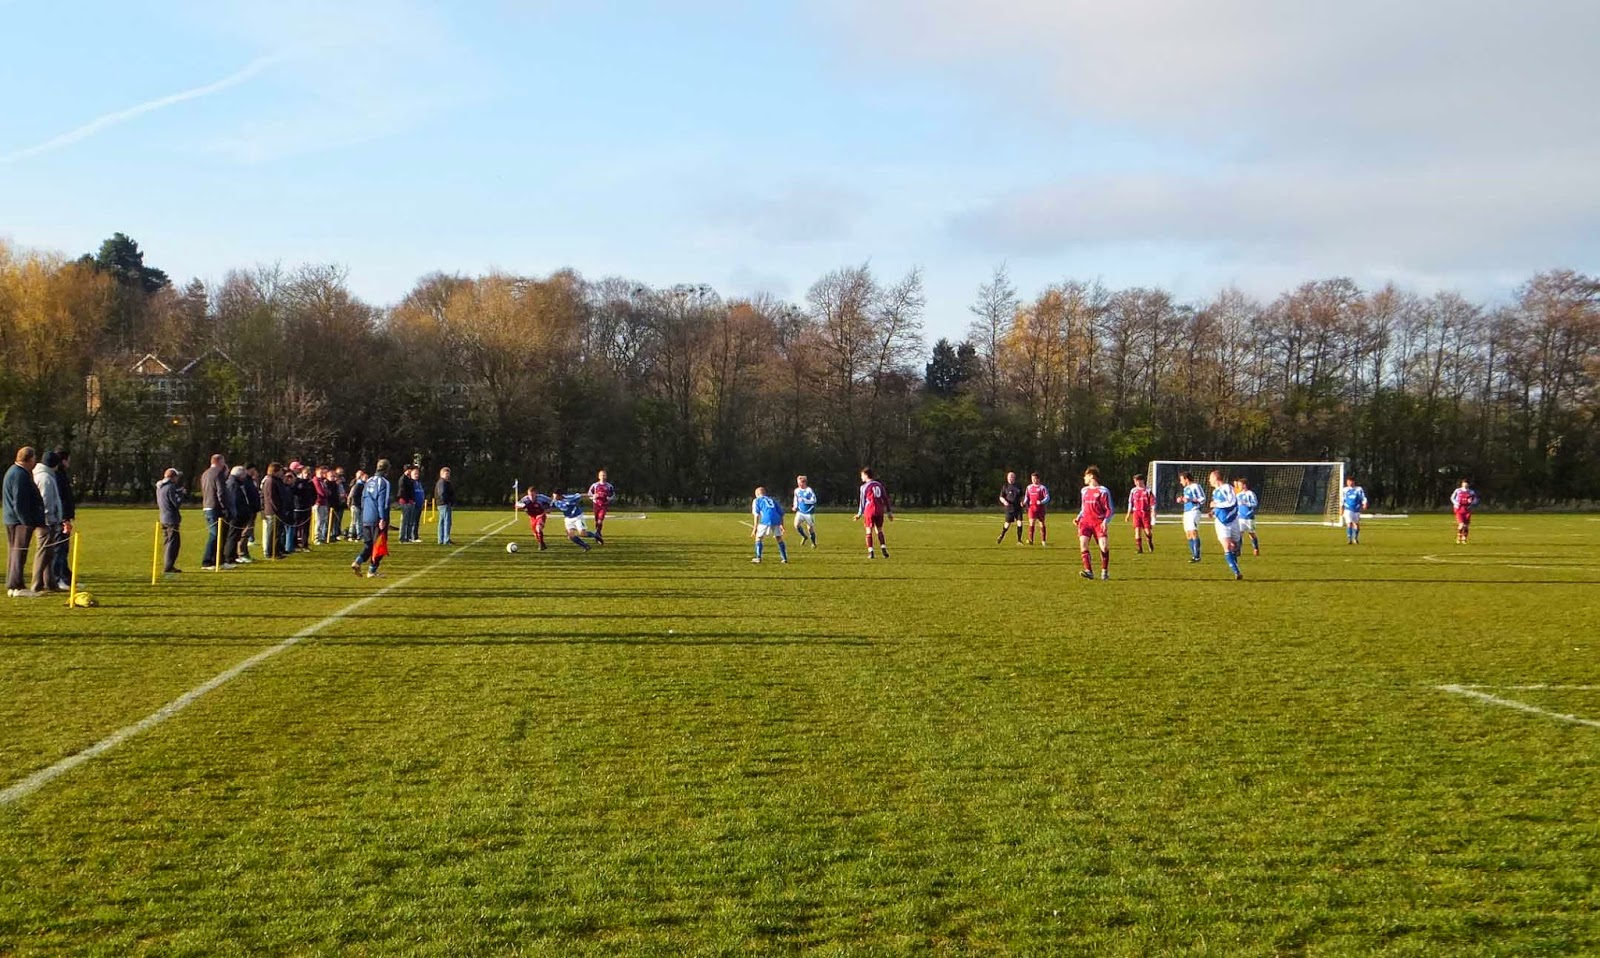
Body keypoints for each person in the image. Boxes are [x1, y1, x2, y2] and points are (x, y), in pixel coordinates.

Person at [5, 446, 48, 598]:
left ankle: (14, 584)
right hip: (19, 521)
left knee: (15, 553)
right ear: (29, 459)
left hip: (14, 519)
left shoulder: (15, 471)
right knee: (19, 553)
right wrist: (27, 521)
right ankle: (16, 586)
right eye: (34, 458)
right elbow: (19, 502)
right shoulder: (19, 475)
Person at [353, 459, 392, 577]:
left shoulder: (368, 480)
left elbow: (363, 499)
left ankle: (358, 561)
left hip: (366, 517)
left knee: (368, 545)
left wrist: (364, 514)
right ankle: (372, 570)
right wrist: (383, 518)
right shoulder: (384, 482)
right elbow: (382, 502)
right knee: (379, 545)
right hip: (376, 518)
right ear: (387, 469)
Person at [34, 450, 65, 591]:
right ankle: (36, 584)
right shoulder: (45, 478)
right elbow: (45, 501)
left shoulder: (45, 475)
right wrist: (49, 520)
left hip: (48, 520)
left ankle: (50, 583)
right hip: (46, 522)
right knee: (43, 553)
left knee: (49, 554)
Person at [1076, 466, 1114, 581]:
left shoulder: (1103, 491)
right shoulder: (1084, 490)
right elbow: (1083, 508)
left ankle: (1104, 571)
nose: (1084, 478)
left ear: (1091, 476)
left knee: (1104, 546)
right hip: (1085, 522)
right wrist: (1078, 517)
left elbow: (1110, 509)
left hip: (1098, 522)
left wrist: (1105, 522)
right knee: (1083, 544)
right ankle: (1088, 571)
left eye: (1085, 476)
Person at [1209, 470, 1244, 580]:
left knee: (1235, 545)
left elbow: (1232, 502)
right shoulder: (1215, 492)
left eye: (1210, 478)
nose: (1209, 480)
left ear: (1215, 478)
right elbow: (1219, 506)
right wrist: (1213, 511)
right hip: (1221, 521)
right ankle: (1236, 572)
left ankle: (1237, 548)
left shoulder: (1227, 488)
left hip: (1233, 520)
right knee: (1227, 546)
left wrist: (1216, 504)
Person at [198, 453, 230, 569]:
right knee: (215, 535)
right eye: (223, 462)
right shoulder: (218, 473)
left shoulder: (205, 473)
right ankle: (207, 561)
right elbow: (220, 492)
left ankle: (219, 561)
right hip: (215, 507)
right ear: (219, 462)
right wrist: (225, 507)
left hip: (207, 505)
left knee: (218, 535)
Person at [854, 467, 892, 559]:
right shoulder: (879, 485)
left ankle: (871, 552)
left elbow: (862, 502)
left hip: (869, 510)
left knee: (868, 531)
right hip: (879, 510)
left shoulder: (864, 487)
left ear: (866, 475)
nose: (861, 478)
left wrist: (859, 514)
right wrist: (889, 512)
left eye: (862, 476)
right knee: (879, 530)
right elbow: (886, 498)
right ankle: (883, 548)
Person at [51, 447, 75, 586]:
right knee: (59, 549)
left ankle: (66, 577)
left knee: (63, 549)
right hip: (61, 518)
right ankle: (57, 578)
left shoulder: (61, 475)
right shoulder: (58, 476)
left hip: (64, 516)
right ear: (63, 460)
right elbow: (60, 499)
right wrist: (64, 518)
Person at [750, 486, 789, 564]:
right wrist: (782, 525)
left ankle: (758, 557)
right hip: (776, 519)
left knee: (758, 537)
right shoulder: (772, 500)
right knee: (779, 538)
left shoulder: (757, 500)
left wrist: (755, 528)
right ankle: (784, 558)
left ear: (757, 494)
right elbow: (781, 513)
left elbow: (756, 514)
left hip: (766, 520)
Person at [157, 468, 185, 574]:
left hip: (163, 517)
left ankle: (168, 565)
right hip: (171, 519)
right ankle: (168, 566)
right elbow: (176, 503)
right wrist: (181, 494)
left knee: (167, 542)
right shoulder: (171, 487)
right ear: (173, 477)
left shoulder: (160, 487)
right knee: (173, 543)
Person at [225, 466, 252, 564]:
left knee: (235, 536)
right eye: (244, 474)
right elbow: (235, 501)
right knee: (232, 536)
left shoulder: (235, 483)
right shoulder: (233, 484)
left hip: (239, 514)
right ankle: (229, 557)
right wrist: (238, 513)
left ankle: (233, 556)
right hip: (236, 515)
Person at [1177, 470, 1206, 563]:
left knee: (1193, 531)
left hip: (1194, 511)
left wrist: (1190, 499)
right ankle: (1194, 555)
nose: (1181, 482)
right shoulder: (1186, 489)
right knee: (1188, 533)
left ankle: (1197, 556)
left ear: (1186, 479)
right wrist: (1181, 500)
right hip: (1187, 511)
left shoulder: (1196, 486)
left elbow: (1202, 499)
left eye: (1181, 480)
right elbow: (1187, 500)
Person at [260, 463, 284, 560]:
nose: (282, 473)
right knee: (271, 533)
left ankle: (276, 551)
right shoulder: (270, 481)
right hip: (272, 511)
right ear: (275, 471)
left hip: (277, 511)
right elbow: (271, 497)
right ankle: (270, 552)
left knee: (277, 532)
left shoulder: (276, 481)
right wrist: (276, 509)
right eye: (280, 471)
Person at [1127, 473, 1155, 554]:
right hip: (1136, 513)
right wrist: (1128, 513)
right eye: (1135, 481)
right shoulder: (1133, 491)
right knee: (1137, 530)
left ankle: (1149, 541)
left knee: (1148, 532)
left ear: (1142, 481)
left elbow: (1152, 502)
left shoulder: (1148, 491)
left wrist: (1153, 511)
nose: (1136, 483)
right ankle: (1139, 548)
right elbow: (1130, 502)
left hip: (1145, 513)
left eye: (1138, 481)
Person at [239, 465, 262, 562]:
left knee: (248, 533)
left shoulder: (250, 480)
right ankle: (241, 553)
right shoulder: (245, 481)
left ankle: (245, 553)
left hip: (253, 510)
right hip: (248, 511)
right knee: (244, 533)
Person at [996, 471, 1024, 544]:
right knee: (1007, 524)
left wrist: (1022, 501)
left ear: (1014, 478)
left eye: (1011, 477)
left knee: (1020, 523)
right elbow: (1001, 497)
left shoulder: (1018, 486)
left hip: (1018, 508)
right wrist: (1004, 501)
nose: (1010, 479)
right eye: (1009, 477)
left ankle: (1019, 540)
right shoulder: (1005, 486)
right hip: (1009, 508)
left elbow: (1022, 496)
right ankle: (1002, 535)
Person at [1234, 478, 1260, 556]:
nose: (1238, 486)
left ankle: (1256, 548)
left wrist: (1245, 503)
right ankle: (1238, 551)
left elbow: (1255, 504)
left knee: (1251, 534)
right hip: (1240, 517)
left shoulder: (1250, 493)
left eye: (1240, 485)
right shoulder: (1238, 495)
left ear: (1244, 485)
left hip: (1249, 517)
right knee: (1239, 534)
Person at [588, 469, 615, 540]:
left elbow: (613, 494)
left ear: (606, 476)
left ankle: (598, 533)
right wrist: (593, 497)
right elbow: (589, 493)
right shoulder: (595, 485)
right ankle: (598, 532)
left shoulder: (609, 486)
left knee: (600, 519)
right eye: (601, 475)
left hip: (604, 505)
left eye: (604, 475)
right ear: (598, 476)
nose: (602, 476)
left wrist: (609, 498)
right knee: (597, 520)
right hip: (596, 504)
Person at [1024, 472, 1051, 546]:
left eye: (1035, 479)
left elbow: (1048, 497)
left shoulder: (1042, 487)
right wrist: (1024, 502)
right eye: (1032, 479)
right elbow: (1027, 497)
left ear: (1038, 479)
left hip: (1040, 509)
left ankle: (1043, 541)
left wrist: (1041, 502)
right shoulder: (1029, 487)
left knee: (1041, 524)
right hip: (1032, 508)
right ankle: (1031, 540)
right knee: (1031, 523)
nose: (1034, 480)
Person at [792, 475, 818, 547]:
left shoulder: (809, 490)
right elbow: (796, 499)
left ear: (805, 482)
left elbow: (814, 500)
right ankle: (804, 536)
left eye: (801, 482)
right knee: (796, 525)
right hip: (800, 512)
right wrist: (795, 506)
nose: (800, 484)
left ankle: (813, 543)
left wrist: (805, 501)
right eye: (799, 482)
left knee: (810, 528)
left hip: (809, 512)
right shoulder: (796, 490)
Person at [1450, 479, 1479, 544]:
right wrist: (1456, 503)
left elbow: (1476, 500)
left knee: (1466, 525)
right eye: (1464, 483)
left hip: (1467, 509)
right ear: (1462, 484)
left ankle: (1464, 538)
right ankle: (1459, 536)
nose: (1465, 485)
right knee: (1461, 524)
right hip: (1459, 508)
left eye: (1466, 483)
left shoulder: (1471, 492)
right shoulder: (1458, 490)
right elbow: (1452, 498)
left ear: (1468, 484)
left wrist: (1472, 502)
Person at [1342, 476, 1369, 545]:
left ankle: (1355, 538)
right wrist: (1341, 507)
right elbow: (1342, 499)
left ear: (1354, 482)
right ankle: (1349, 538)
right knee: (1349, 523)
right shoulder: (1344, 490)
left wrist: (1364, 503)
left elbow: (1363, 497)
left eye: (1351, 481)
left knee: (1356, 524)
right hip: (1348, 509)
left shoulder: (1358, 489)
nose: (1349, 483)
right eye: (1348, 481)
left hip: (1356, 509)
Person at [435, 467, 456, 544]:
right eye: (446, 474)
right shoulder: (442, 482)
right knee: (446, 522)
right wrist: (447, 501)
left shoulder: (445, 482)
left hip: (443, 504)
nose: (447, 475)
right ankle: (445, 539)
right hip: (444, 504)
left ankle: (441, 539)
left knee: (443, 521)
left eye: (448, 474)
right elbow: (442, 493)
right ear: (441, 474)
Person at [312, 466, 332, 545]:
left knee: (323, 520)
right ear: (316, 473)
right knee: (319, 521)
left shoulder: (322, 481)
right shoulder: (316, 480)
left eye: (323, 473)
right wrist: (326, 493)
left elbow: (327, 491)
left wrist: (326, 492)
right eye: (321, 473)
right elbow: (321, 492)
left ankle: (321, 537)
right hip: (318, 502)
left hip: (324, 502)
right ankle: (316, 538)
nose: (322, 474)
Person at [329, 467, 348, 543]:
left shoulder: (342, 482)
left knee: (339, 519)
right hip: (336, 503)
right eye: (339, 474)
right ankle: (333, 534)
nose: (340, 476)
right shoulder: (335, 484)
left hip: (341, 503)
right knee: (334, 520)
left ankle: (337, 533)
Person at [347, 469, 367, 540]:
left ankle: (355, 534)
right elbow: (353, 495)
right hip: (356, 505)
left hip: (359, 505)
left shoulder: (363, 485)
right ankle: (354, 535)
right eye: (365, 478)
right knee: (356, 521)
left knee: (358, 521)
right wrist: (353, 504)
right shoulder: (358, 485)